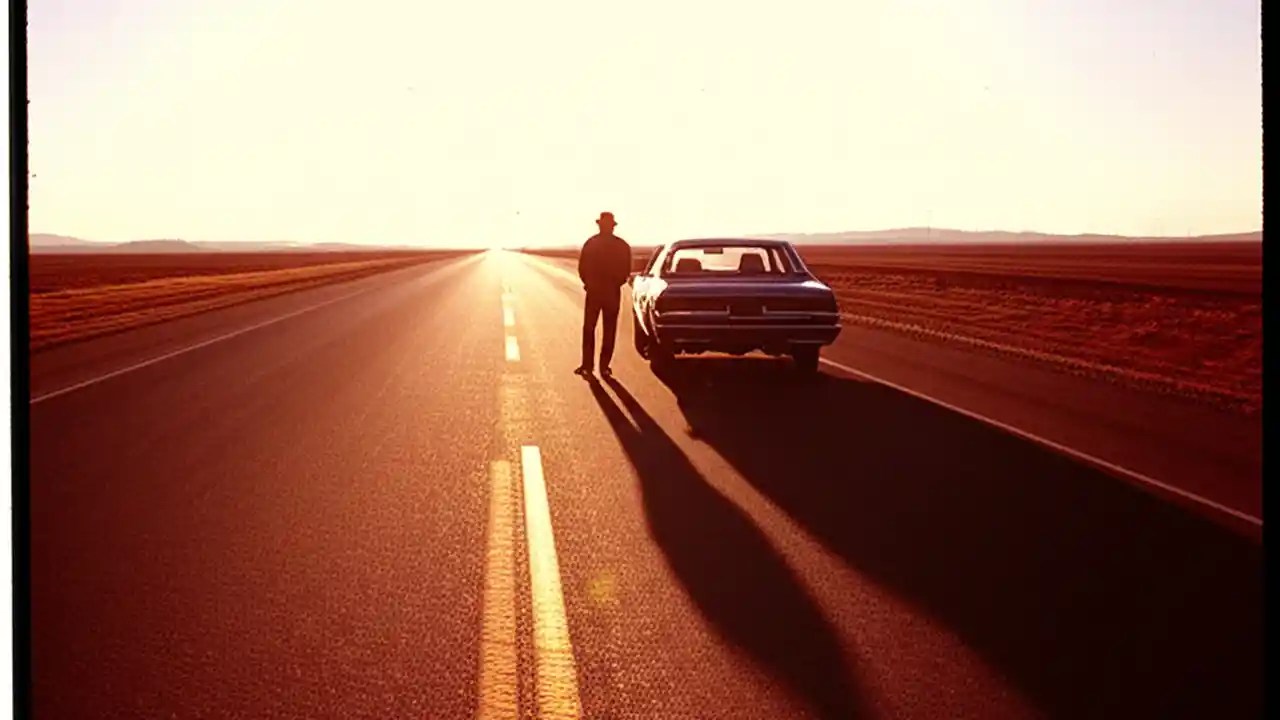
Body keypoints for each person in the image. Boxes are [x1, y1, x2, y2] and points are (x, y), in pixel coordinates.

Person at [575, 211, 632, 377]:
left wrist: (589, 283)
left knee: (591, 328)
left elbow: (582, 268)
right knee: (608, 330)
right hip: (609, 292)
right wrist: (614, 283)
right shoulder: (621, 246)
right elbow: (626, 271)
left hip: (597, 292)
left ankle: (589, 366)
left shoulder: (591, 243)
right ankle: (603, 367)